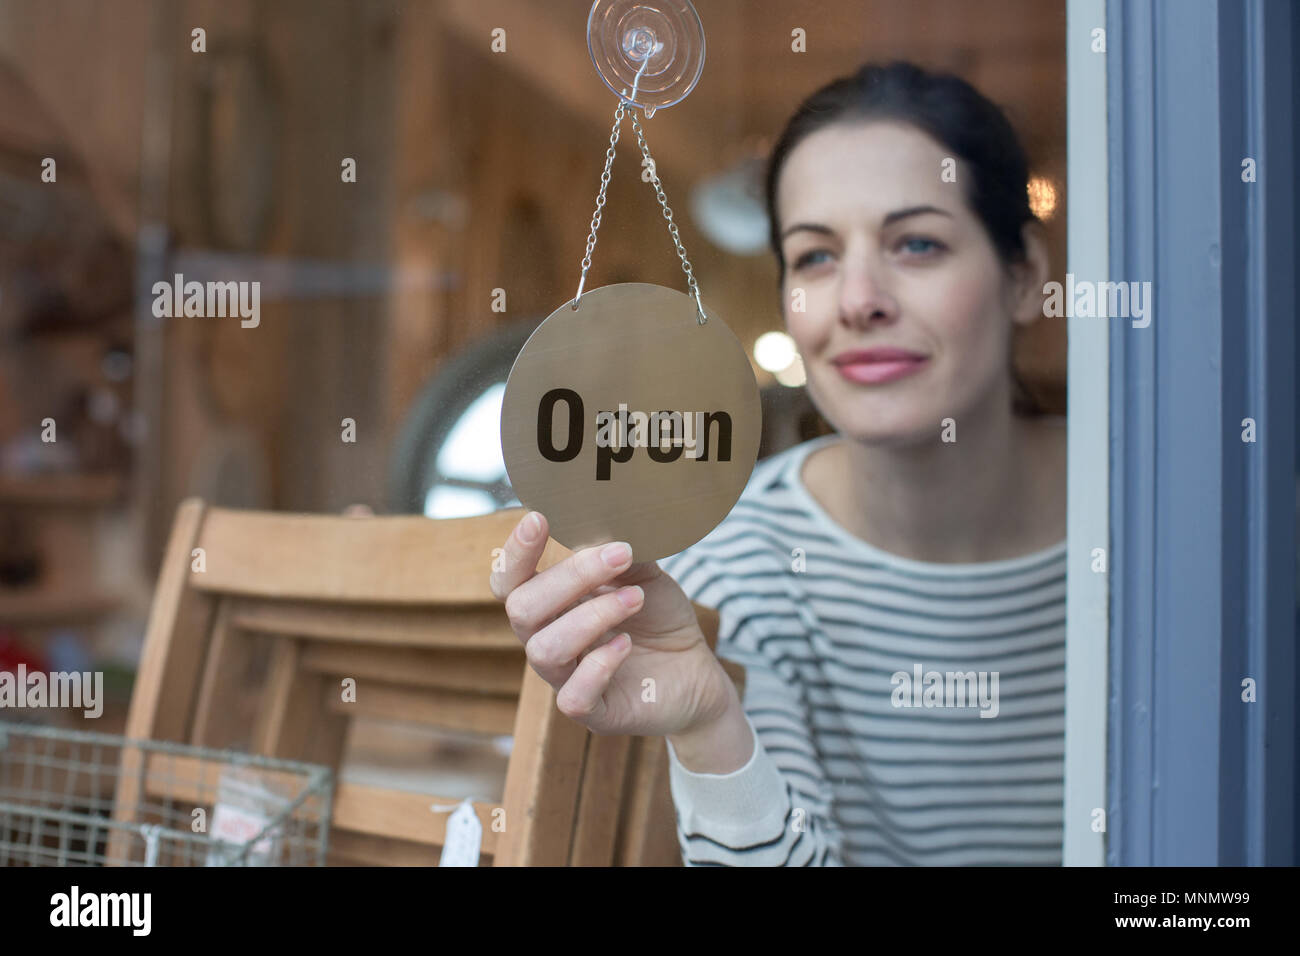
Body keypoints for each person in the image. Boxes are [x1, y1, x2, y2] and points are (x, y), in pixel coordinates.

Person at [489, 61, 1067, 866]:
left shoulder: (1156, 527)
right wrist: (708, 726)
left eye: (919, 243)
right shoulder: (741, 565)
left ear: (1025, 278)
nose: (857, 299)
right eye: (816, 257)